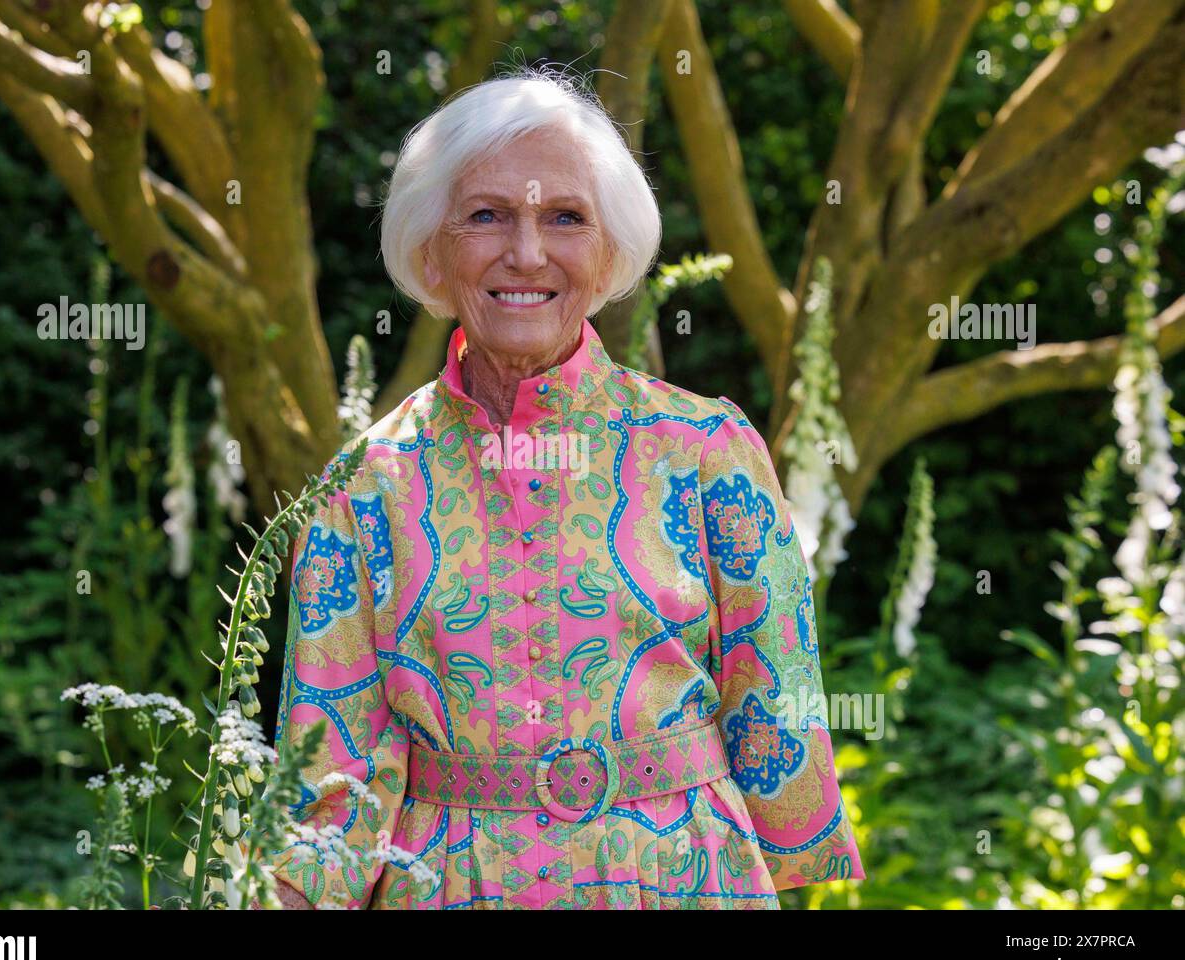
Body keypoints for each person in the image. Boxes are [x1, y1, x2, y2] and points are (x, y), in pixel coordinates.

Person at [266, 67, 865, 909]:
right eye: (486, 215)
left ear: (610, 250)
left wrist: (790, 855)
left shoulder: (706, 451)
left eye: (565, 218)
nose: (527, 252)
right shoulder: (364, 485)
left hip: (683, 882)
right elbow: (327, 768)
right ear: (430, 252)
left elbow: (776, 714)